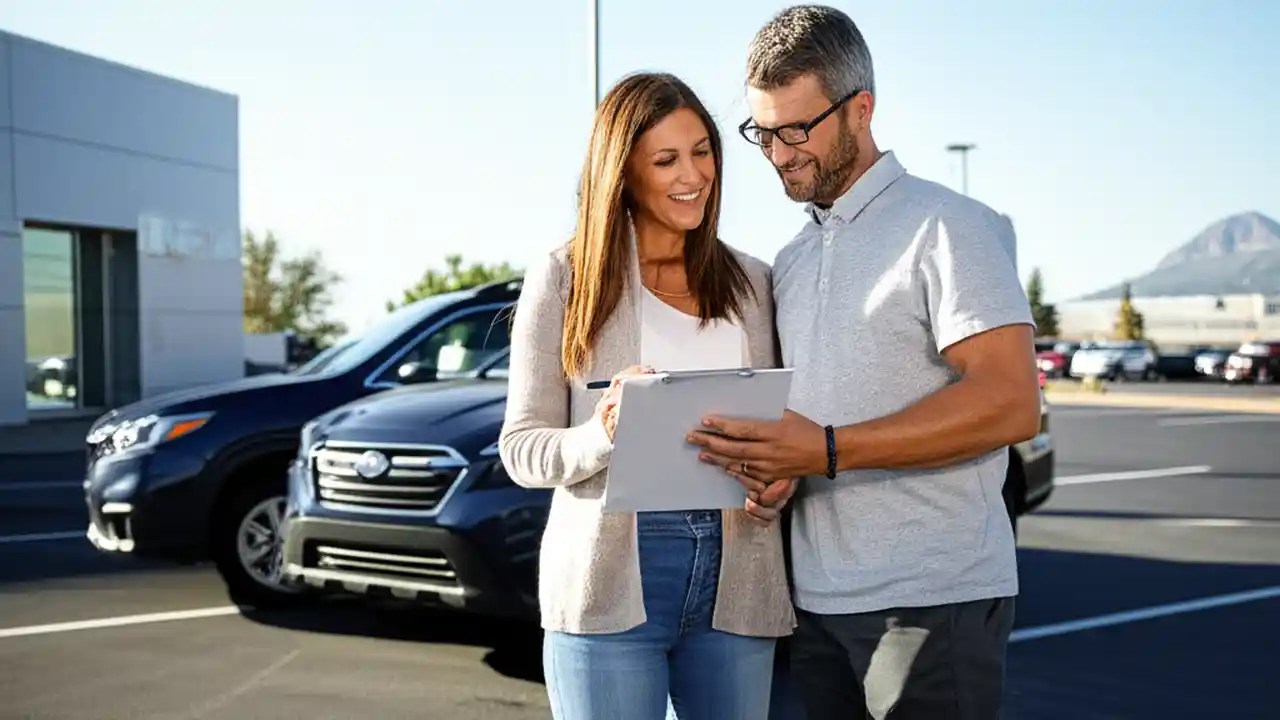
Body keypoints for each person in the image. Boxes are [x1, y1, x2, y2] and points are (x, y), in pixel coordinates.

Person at [688, 6, 1041, 719]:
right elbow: (815, 418)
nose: (780, 153)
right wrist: (782, 469)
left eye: (797, 129)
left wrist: (824, 449)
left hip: (932, 600)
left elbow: (1010, 401)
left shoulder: (948, 227)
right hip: (817, 604)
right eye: (762, 132)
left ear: (861, 109)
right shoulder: (790, 260)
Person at [498, 72, 797, 720]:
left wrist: (778, 483)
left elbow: (775, 430)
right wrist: (605, 429)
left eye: (702, 151)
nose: (693, 174)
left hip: (738, 572)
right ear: (623, 172)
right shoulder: (565, 278)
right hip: (609, 581)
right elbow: (522, 449)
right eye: (666, 160)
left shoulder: (753, 281)